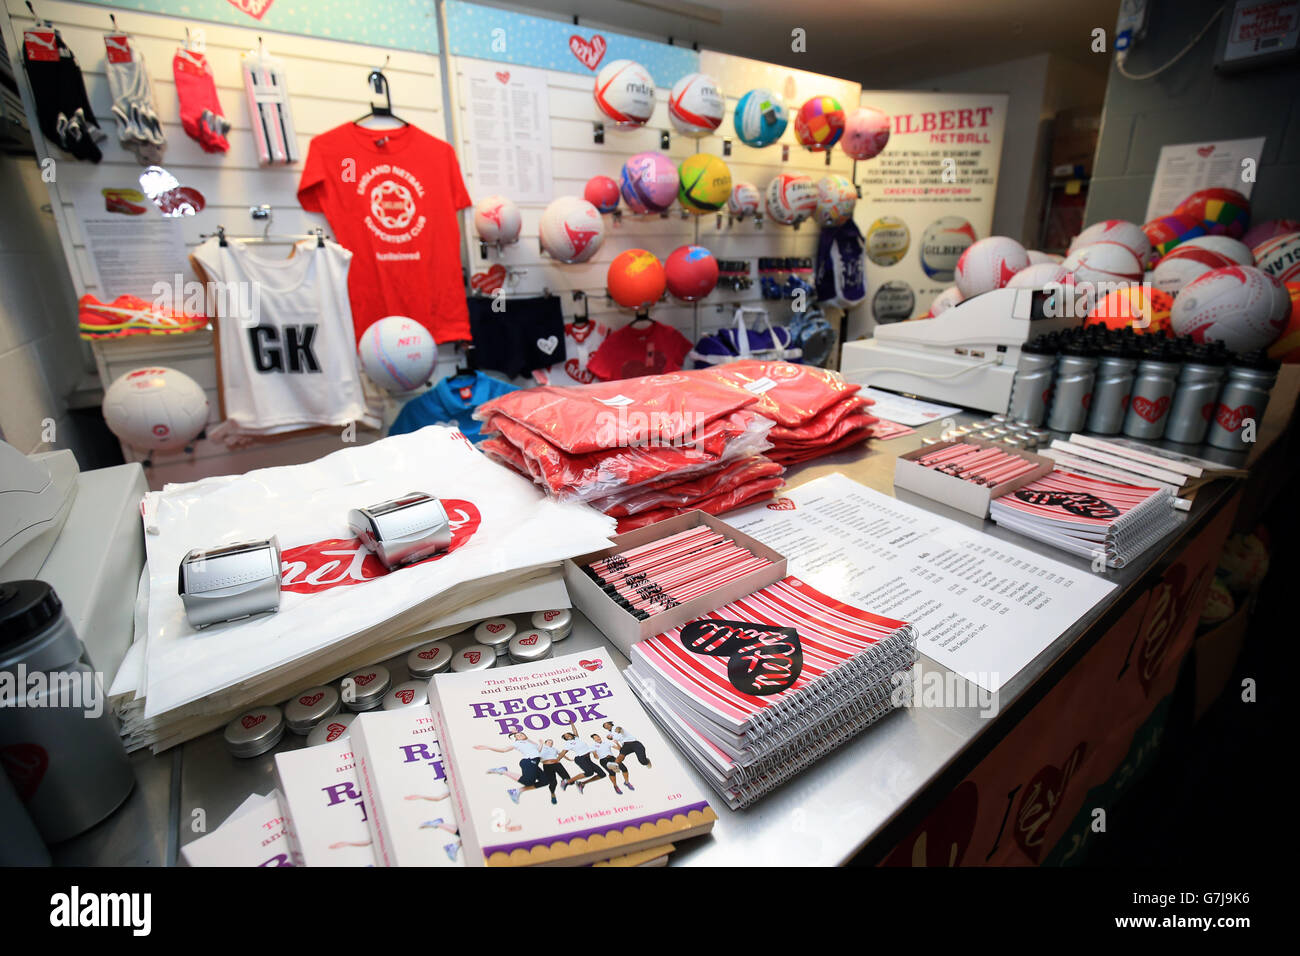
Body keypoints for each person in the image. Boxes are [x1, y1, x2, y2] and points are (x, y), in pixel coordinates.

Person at [475, 731, 544, 804]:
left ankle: (517, 791)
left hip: (535, 762)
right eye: (517, 735)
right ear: (516, 739)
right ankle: (502, 771)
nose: (520, 735)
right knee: (528, 781)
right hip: (528, 761)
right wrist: (488, 747)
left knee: (545, 781)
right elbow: (503, 750)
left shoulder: (530, 744)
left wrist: (541, 744)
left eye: (521, 734)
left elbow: (537, 751)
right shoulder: (517, 743)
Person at [558, 722, 604, 792]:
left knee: (602, 774)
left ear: (571, 735)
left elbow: (575, 731)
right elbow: (563, 752)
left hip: (588, 759)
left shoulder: (576, 738)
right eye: (565, 737)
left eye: (568, 734)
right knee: (589, 772)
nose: (567, 736)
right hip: (580, 758)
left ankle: (582, 784)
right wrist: (557, 760)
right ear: (565, 739)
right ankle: (566, 781)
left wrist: (572, 724)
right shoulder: (568, 743)